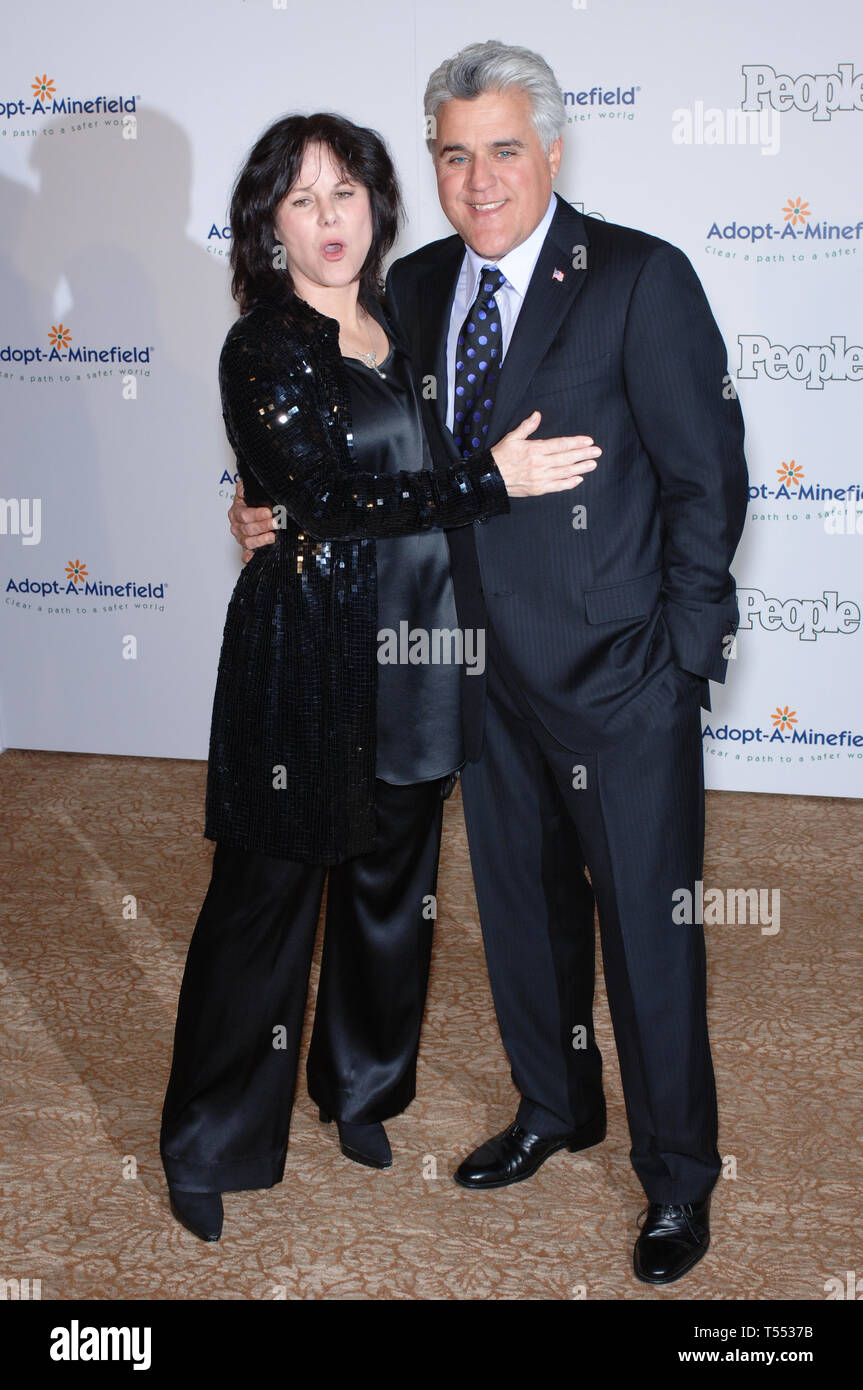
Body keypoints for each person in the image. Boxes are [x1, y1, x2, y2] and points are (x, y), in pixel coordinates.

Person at [230, 43, 749, 1284]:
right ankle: (554, 1106)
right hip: (467, 674)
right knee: (520, 921)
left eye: (503, 149)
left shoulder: (637, 278)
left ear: (552, 152)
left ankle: (677, 1179)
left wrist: (680, 661)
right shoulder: (407, 289)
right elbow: (353, 454)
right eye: (453, 153)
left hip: (622, 681)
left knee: (648, 937)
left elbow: (704, 480)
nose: (478, 179)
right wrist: (267, 510)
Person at [160, 109, 601, 1243]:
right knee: (260, 909)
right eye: (299, 202)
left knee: (389, 900)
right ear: (268, 229)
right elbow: (326, 499)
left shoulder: (404, 316)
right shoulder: (261, 343)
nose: (328, 219)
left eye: (344, 192)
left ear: (375, 202)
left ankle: (357, 1090)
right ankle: (210, 1139)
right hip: (302, 661)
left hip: (419, 657)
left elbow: (376, 479)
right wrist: (486, 481)